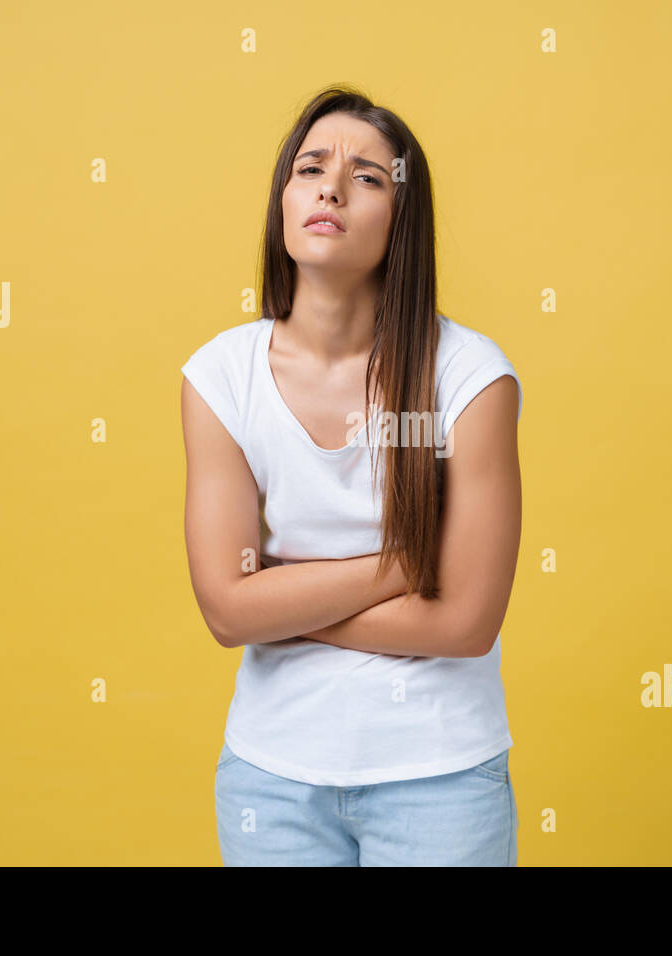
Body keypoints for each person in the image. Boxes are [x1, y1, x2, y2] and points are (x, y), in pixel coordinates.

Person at [180, 86, 523, 866]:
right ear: (284, 200)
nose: (332, 185)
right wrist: (402, 567)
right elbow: (227, 612)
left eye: (369, 177)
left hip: (440, 778)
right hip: (271, 778)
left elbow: (466, 624)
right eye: (311, 167)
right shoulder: (219, 377)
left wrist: (280, 599)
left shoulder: (471, 377)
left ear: (404, 219)